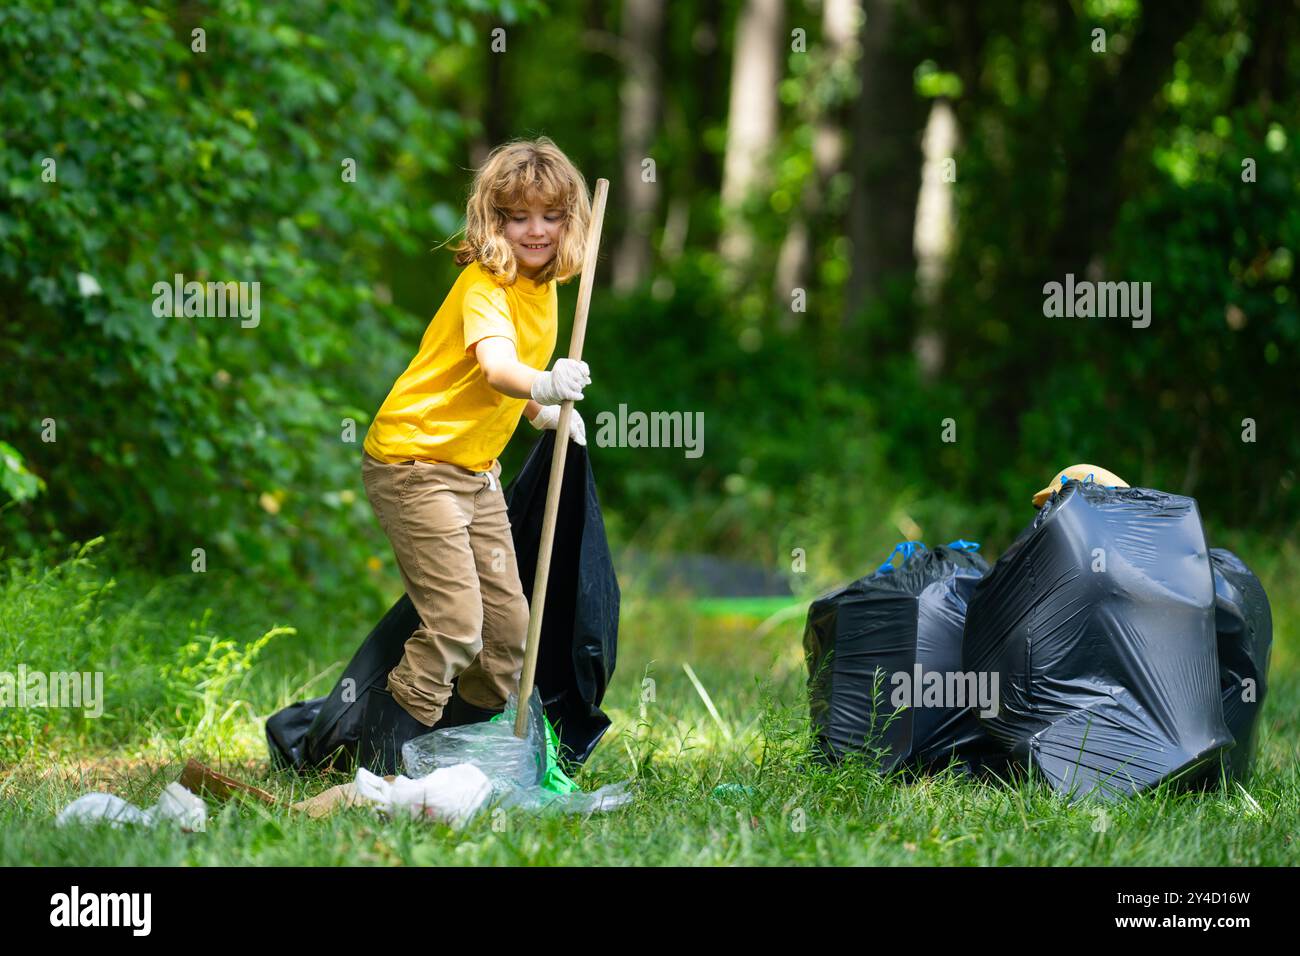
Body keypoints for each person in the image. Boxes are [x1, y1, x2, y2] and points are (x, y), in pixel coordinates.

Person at [359, 136, 594, 765]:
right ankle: (385, 758)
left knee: (509, 634)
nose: (535, 231)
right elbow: (495, 366)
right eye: (518, 216)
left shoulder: (543, 290)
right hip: (415, 466)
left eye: (550, 216)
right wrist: (541, 384)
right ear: (495, 221)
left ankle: (458, 755)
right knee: (457, 627)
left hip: (474, 473)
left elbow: (506, 376)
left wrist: (539, 411)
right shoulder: (485, 284)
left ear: (573, 222)